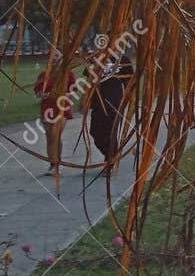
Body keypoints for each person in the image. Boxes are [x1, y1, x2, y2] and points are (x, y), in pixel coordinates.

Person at [84, 54, 133, 186]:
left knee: (110, 133)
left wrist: (129, 100)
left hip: (114, 103)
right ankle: (111, 155)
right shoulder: (95, 58)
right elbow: (88, 80)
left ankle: (109, 161)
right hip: (97, 103)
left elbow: (129, 81)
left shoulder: (123, 59)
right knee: (95, 132)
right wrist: (85, 99)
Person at [32, 50, 75, 187]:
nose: (54, 58)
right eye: (51, 56)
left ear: (62, 58)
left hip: (61, 108)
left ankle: (58, 164)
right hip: (47, 108)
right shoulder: (44, 75)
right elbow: (37, 91)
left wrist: (63, 95)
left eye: (57, 55)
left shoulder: (68, 74)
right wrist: (42, 94)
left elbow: (73, 91)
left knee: (56, 135)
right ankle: (52, 164)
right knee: (49, 136)